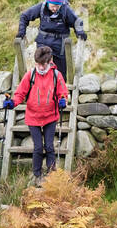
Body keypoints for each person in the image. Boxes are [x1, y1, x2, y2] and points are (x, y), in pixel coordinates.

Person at [4, 44, 69, 187]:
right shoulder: (30, 75)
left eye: (43, 64)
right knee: (38, 147)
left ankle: (52, 176)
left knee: (50, 147)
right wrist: (12, 103)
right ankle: (37, 175)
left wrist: (63, 100)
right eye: (38, 64)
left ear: (49, 61)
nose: (40, 67)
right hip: (33, 117)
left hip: (51, 117)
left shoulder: (56, 76)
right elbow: (20, 93)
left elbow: (62, 93)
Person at [17, 0, 86, 80]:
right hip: (43, 40)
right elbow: (24, 16)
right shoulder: (41, 7)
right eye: (53, 6)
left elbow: (77, 21)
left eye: (57, 7)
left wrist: (80, 32)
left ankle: (60, 91)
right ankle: (41, 88)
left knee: (61, 71)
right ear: (48, 2)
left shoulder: (65, 9)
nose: (55, 9)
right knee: (41, 66)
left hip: (60, 42)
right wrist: (21, 32)